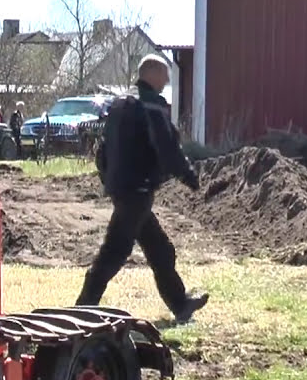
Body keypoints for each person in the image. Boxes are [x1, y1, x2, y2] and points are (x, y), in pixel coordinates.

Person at [76, 54, 208, 322]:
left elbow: (103, 149)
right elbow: (167, 147)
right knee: (115, 252)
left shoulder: (120, 104)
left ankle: (180, 305)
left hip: (124, 188)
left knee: (160, 249)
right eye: (165, 75)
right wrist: (189, 176)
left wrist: (109, 179)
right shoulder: (150, 106)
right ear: (153, 75)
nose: (167, 80)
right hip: (137, 189)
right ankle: (82, 309)